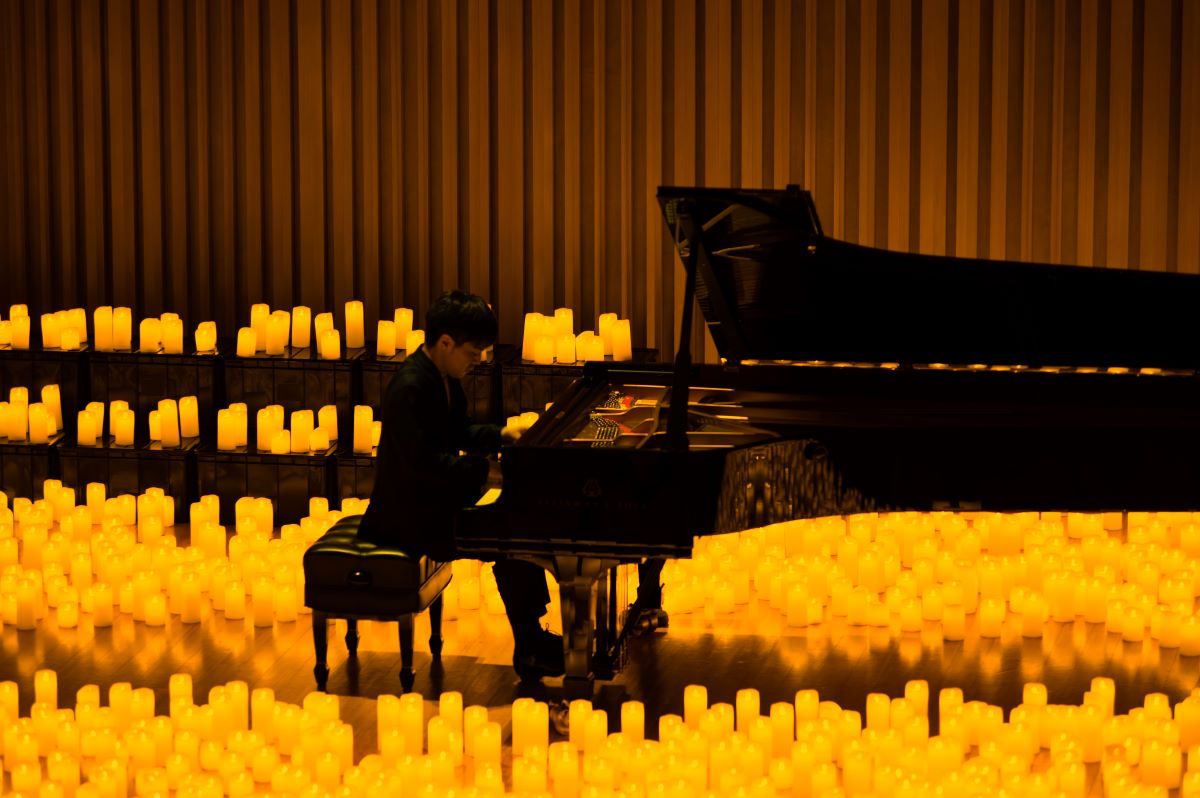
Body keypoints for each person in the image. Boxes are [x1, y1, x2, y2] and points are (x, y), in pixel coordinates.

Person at [358, 290, 564, 680]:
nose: (476, 361)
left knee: (516, 531)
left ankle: (533, 638)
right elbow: (420, 465)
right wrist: (488, 472)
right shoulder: (410, 387)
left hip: (432, 501)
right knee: (511, 538)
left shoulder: (441, 374)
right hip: (408, 518)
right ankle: (531, 646)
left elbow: (458, 431)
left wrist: (504, 432)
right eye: (472, 353)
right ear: (446, 342)